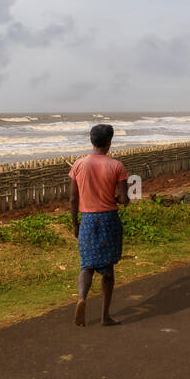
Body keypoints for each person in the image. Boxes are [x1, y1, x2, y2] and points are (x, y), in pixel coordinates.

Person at [69, 123, 130, 326]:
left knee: (86, 266)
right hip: (108, 220)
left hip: (86, 220)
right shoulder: (116, 166)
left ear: (91, 140)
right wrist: (114, 197)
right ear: (109, 142)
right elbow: (124, 199)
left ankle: (81, 298)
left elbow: (72, 199)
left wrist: (75, 224)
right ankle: (105, 316)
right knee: (108, 270)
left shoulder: (78, 165)